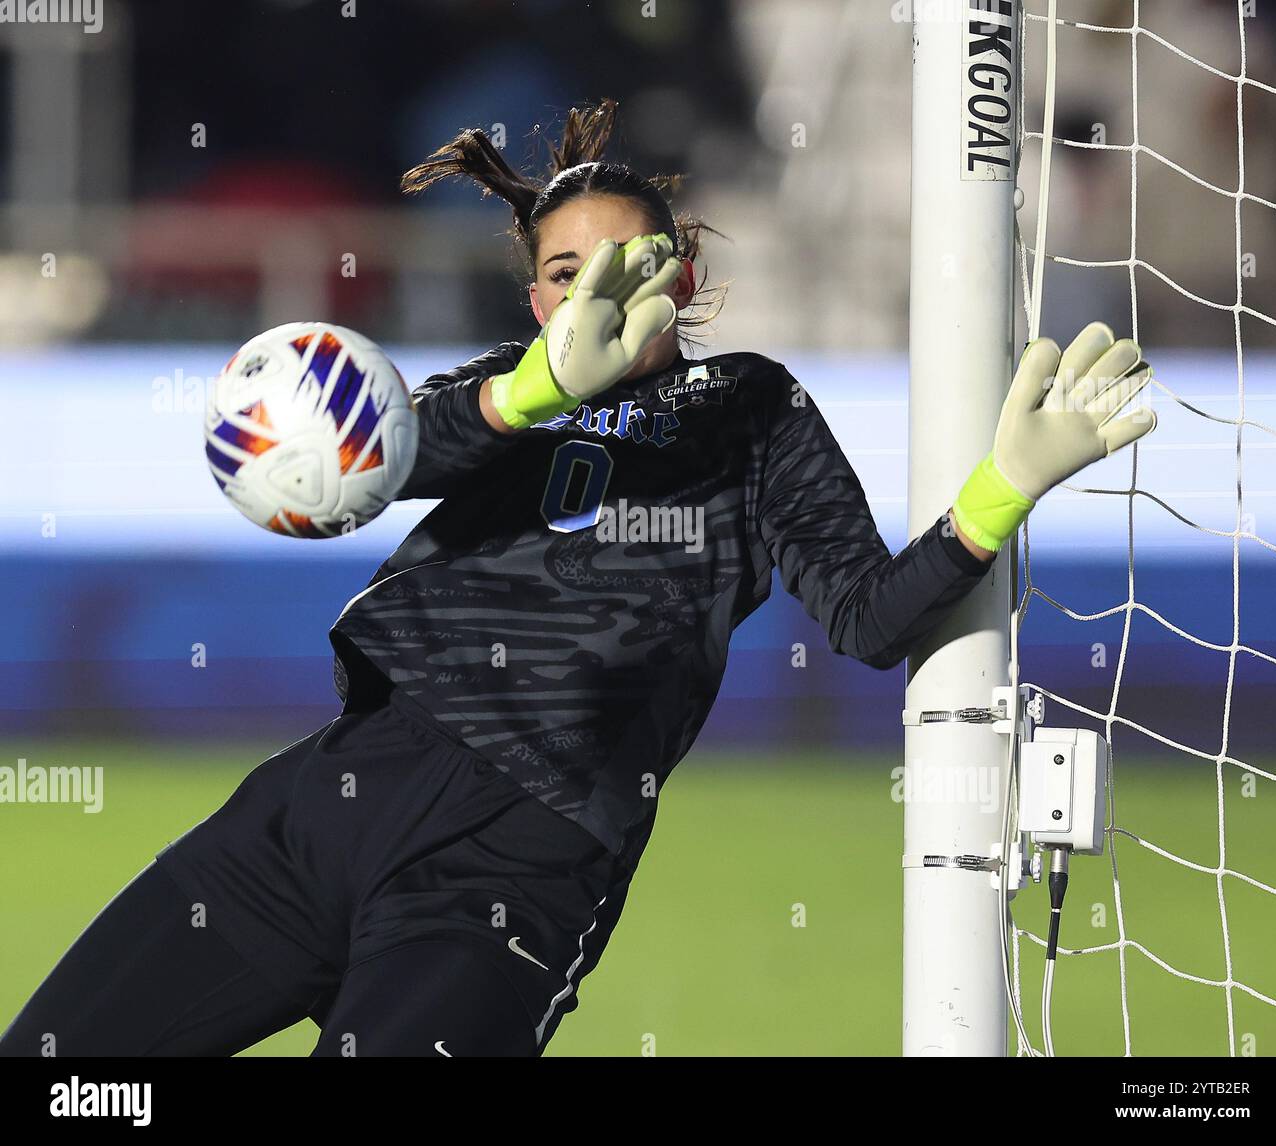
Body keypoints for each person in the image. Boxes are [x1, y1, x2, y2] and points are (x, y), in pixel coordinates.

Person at [0, 99, 1156, 1057]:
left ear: (685, 269)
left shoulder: (753, 410)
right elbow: (392, 456)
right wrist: (540, 389)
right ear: (538, 296)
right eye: (565, 272)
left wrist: (1000, 489)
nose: (599, 290)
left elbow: (865, 619)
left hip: (517, 864)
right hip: (326, 809)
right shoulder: (500, 390)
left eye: (631, 261)